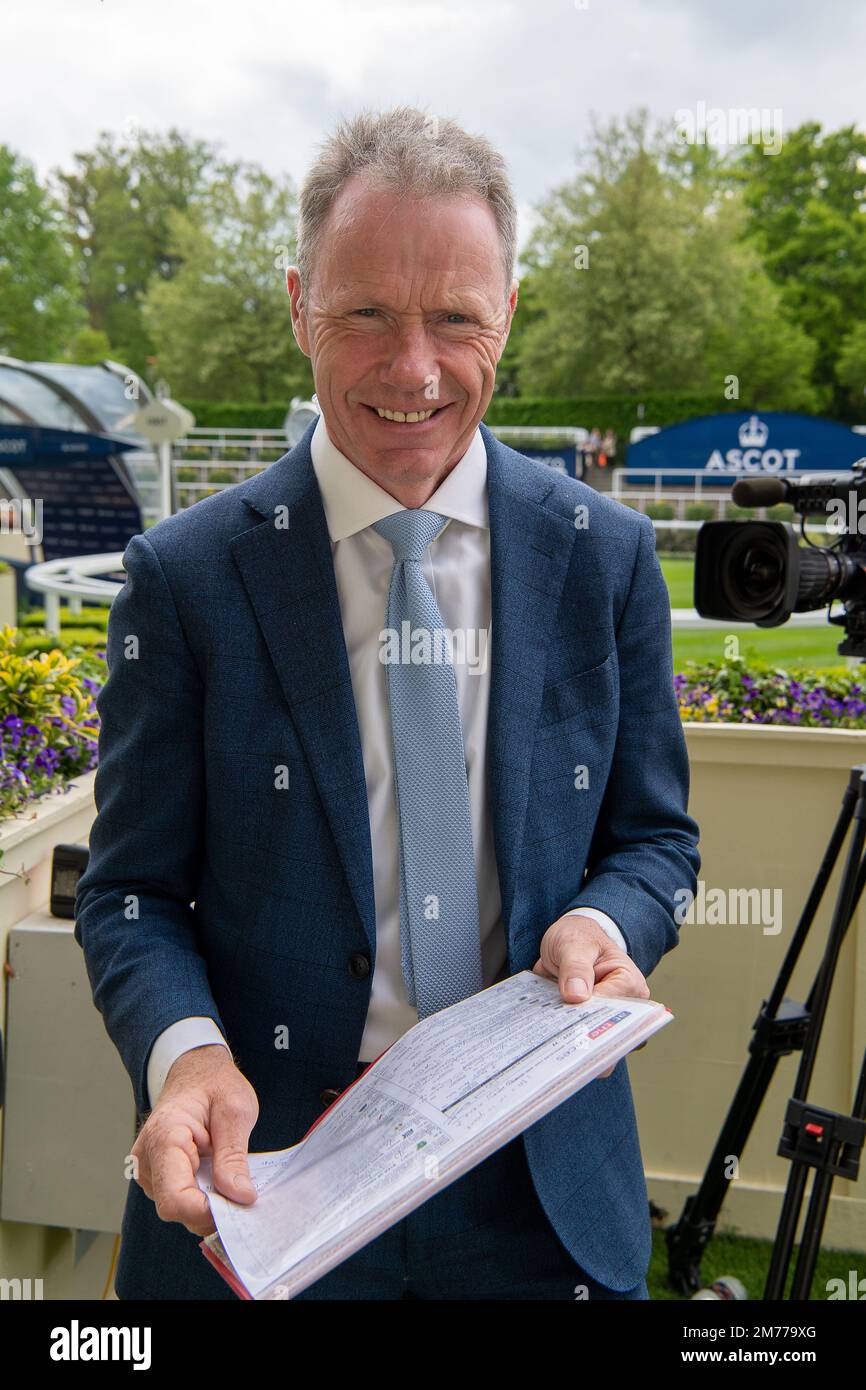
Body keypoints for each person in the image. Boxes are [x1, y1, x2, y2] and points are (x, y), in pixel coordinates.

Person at [75, 106, 700, 1301]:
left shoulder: (607, 558)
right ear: (299, 303)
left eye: (455, 317)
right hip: (266, 1184)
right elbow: (132, 892)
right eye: (364, 313)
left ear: (506, 314)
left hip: (539, 1191)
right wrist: (188, 1053)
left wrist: (605, 925)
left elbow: (654, 840)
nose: (412, 370)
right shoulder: (187, 577)